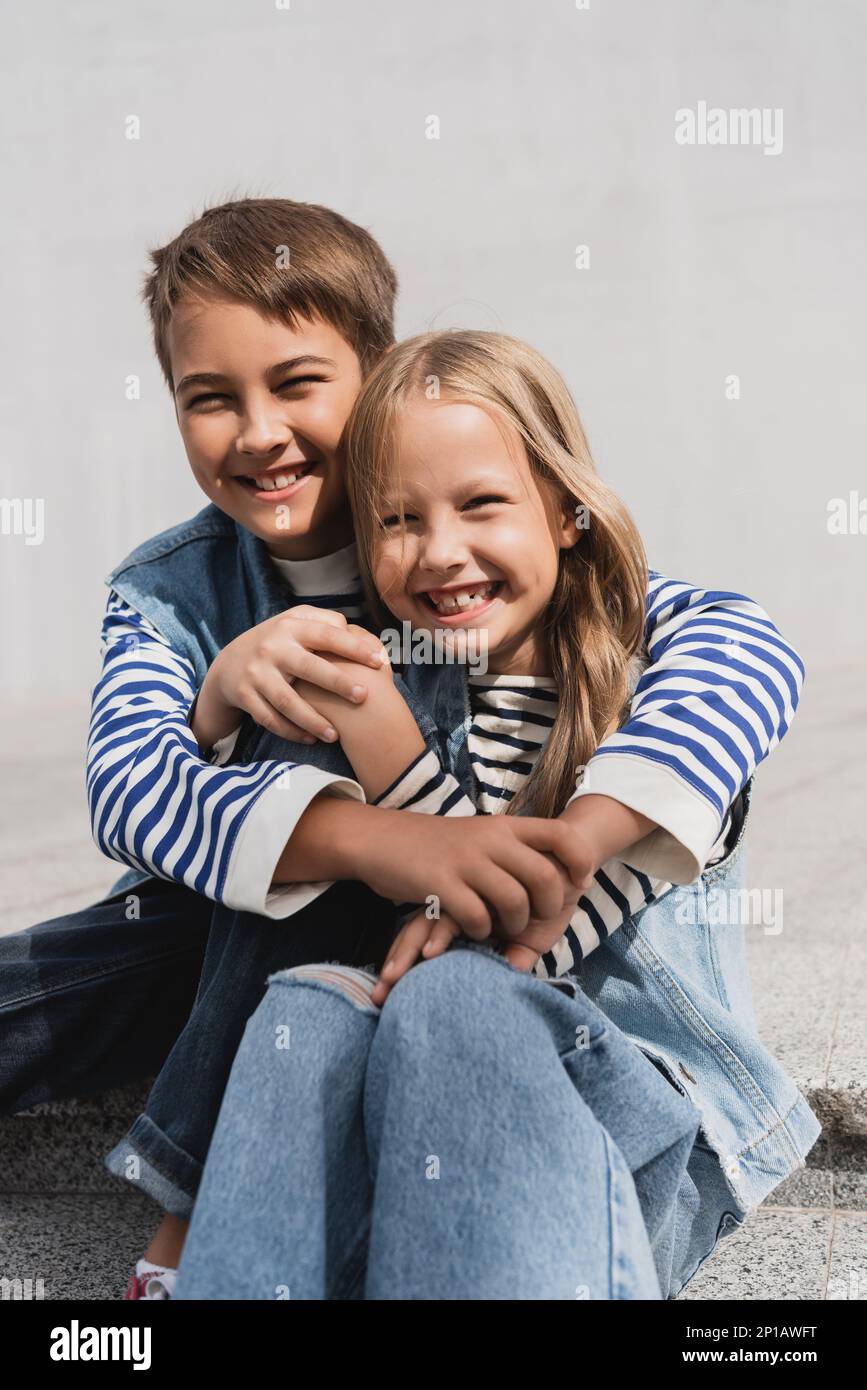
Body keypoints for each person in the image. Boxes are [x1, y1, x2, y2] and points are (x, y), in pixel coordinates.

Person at [171, 331, 819, 1299]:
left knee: (454, 995)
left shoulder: (643, 691)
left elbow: (520, 937)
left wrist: (580, 832)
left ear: (563, 509)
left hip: (633, 1135)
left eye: (480, 504)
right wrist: (245, 696)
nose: (439, 552)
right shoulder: (410, 681)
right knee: (306, 1008)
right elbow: (425, 861)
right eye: (395, 520)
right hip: (443, 1135)